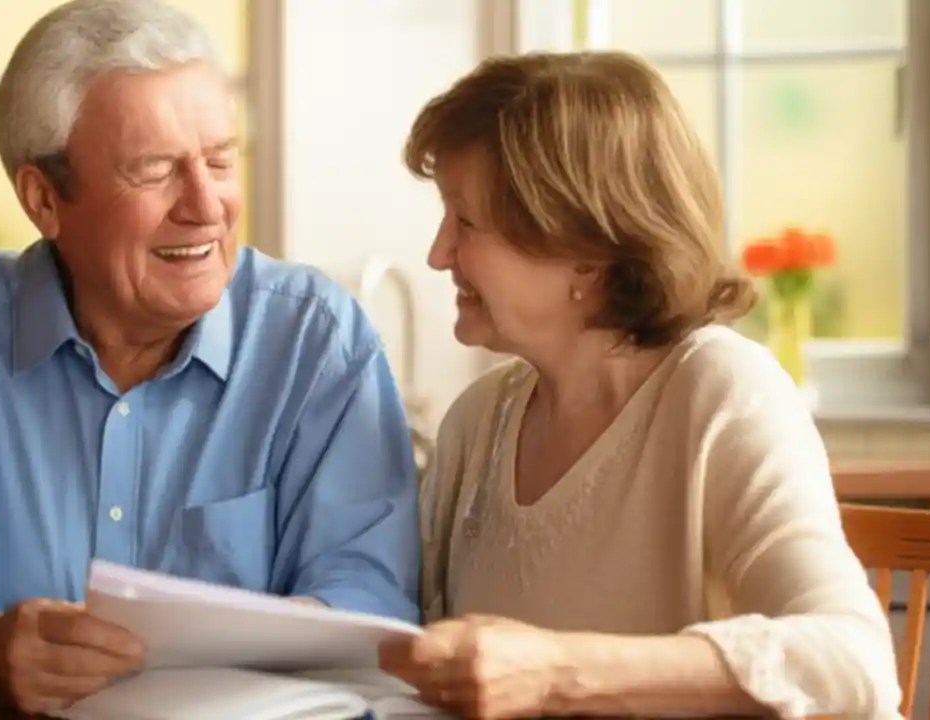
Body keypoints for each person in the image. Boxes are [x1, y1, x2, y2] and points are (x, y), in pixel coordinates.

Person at [0, 0, 419, 714]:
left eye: (218, 159)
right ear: (45, 199)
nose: (206, 206)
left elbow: (370, 609)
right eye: (155, 171)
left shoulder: (318, 343)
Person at [377, 51, 902, 720]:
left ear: (588, 255)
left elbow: (852, 662)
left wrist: (557, 673)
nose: (438, 253)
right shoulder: (477, 422)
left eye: (467, 223)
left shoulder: (720, 392)